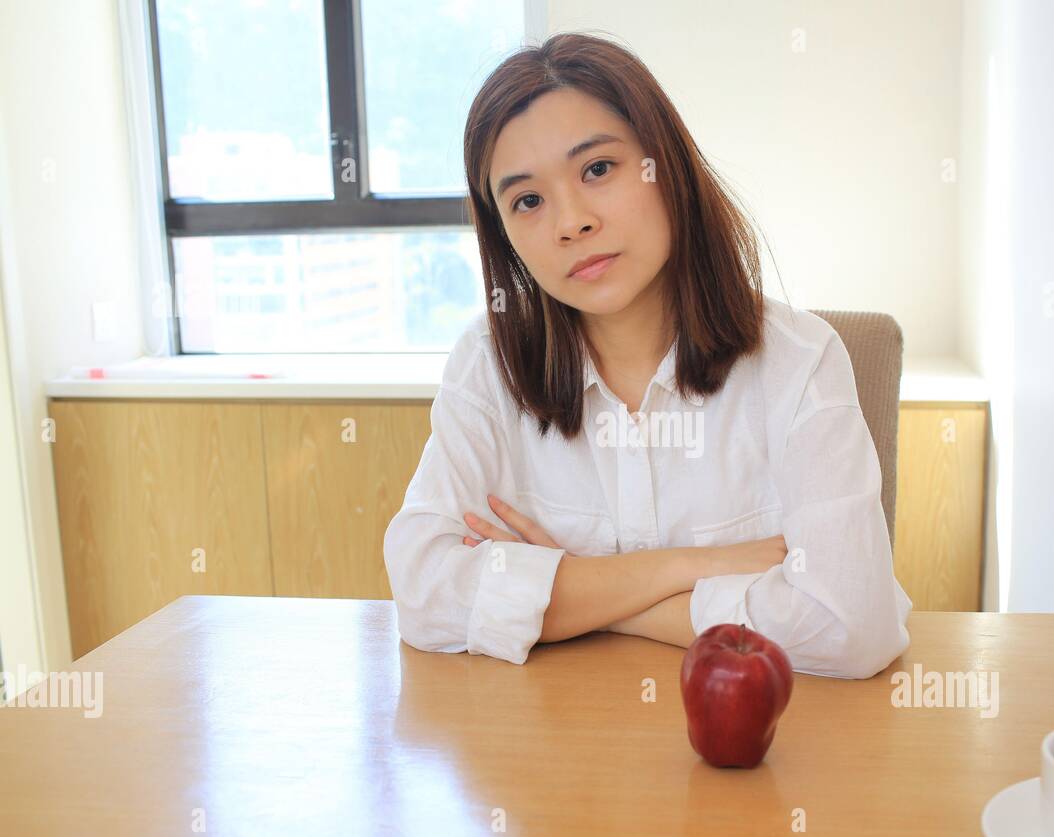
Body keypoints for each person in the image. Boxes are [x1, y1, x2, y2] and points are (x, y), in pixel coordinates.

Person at [383, 32, 911, 679]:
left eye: (598, 169)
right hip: (550, 749)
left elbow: (850, 628)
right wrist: (678, 568)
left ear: (666, 166)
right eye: (527, 200)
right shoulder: (487, 363)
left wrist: (580, 594)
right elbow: (422, 596)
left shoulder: (799, 361)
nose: (570, 221)